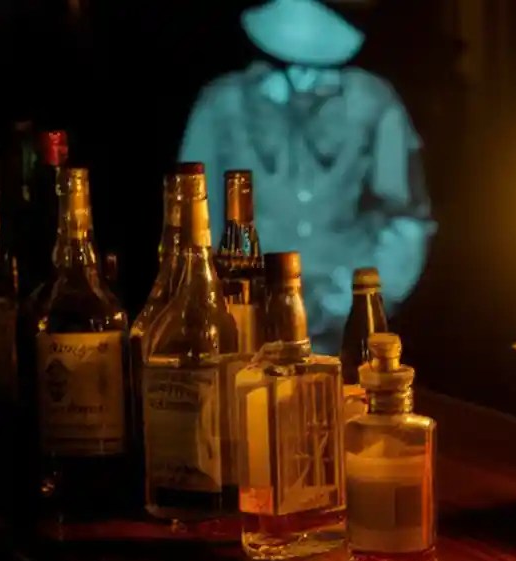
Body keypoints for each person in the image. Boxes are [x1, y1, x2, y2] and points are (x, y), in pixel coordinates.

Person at [180, 0, 435, 351]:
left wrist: (364, 294)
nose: (306, 78)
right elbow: (193, 218)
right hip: (248, 316)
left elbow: (407, 217)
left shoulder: (373, 102)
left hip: (348, 317)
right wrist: (218, 299)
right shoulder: (222, 104)